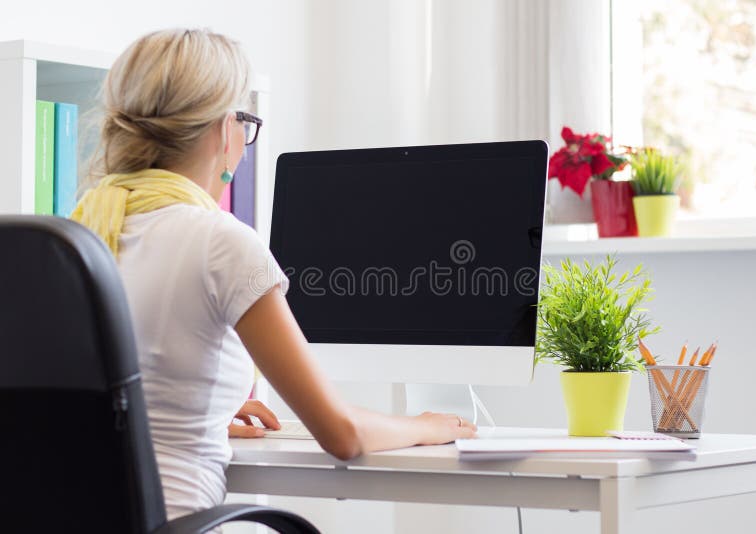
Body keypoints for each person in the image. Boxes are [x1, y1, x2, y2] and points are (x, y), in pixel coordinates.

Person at [70, 28, 476, 520]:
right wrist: (427, 426)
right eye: (244, 119)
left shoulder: (77, 236)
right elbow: (341, 434)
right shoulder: (220, 241)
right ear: (225, 128)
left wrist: (198, 415)